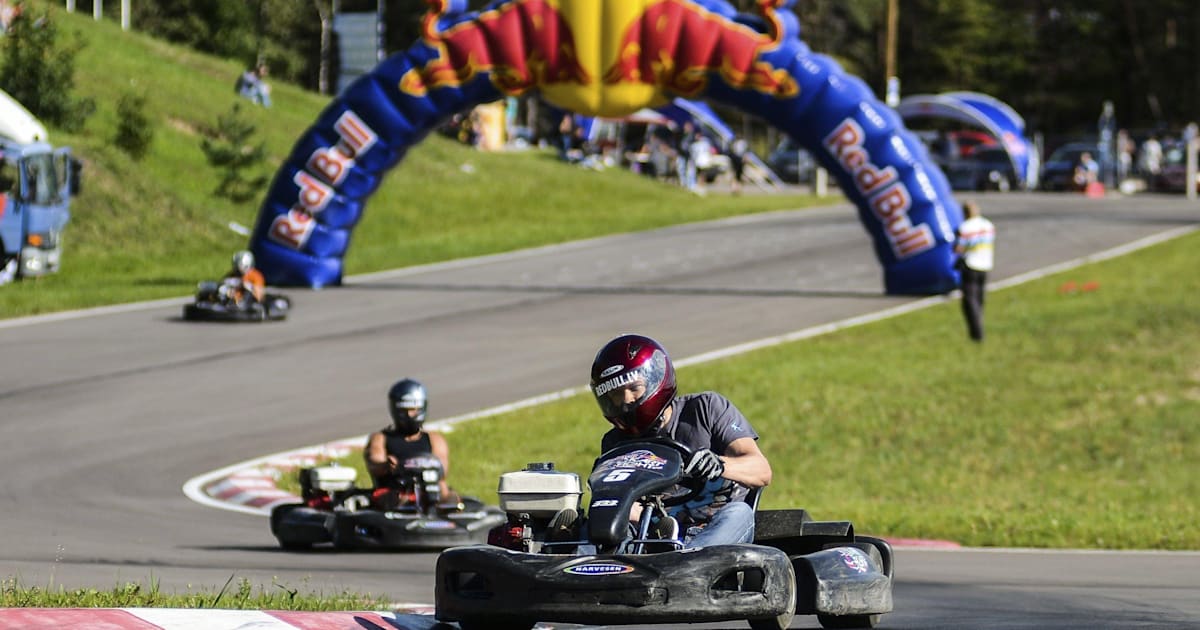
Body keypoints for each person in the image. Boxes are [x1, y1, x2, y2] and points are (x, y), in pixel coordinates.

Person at [589, 334, 772, 548]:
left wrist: (719, 464)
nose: (627, 400)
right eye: (617, 395)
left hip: (713, 524)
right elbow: (631, 510)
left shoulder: (706, 408)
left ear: (655, 380)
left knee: (739, 512)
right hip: (654, 530)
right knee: (597, 527)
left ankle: (690, 558)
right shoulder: (615, 442)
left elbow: (762, 471)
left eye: (634, 388)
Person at [364, 378, 458, 507]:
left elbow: (442, 469)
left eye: (413, 410)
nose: (409, 415)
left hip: (429, 491)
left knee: (446, 491)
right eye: (404, 411)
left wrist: (420, 467)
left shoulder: (434, 439)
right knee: (395, 498)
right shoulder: (381, 438)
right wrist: (387, 465)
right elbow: (374, 462)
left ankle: (449, 514)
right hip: (395, 493)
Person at [953, 200, 996, 343]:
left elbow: (959, 248)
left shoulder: (965, 228)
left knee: (970, 300)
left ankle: (977, 334)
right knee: (979, 297)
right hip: (986, 264)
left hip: (971, 265)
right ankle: (979, 323)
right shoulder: (988, 225)